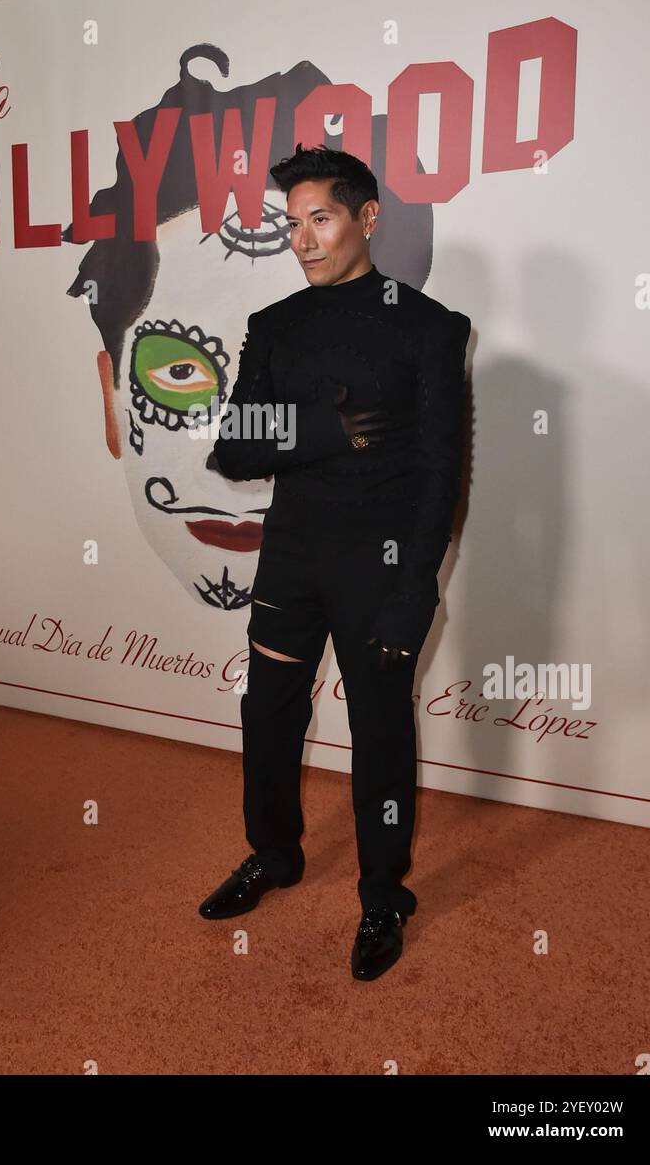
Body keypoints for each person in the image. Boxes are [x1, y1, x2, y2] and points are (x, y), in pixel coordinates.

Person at [198, 143, 472, 981]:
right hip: (291, 559)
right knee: (267, 715)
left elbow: (441, 479)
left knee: (380, 730)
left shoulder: (430, 329)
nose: (304, 239)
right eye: (292, 223)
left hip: (381, 572)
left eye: (320, 218)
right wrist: (325, 430)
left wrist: (414, 591)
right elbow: (232, 453)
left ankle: (383, 892)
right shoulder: (275, 325)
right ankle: (274, 856)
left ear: (367, 217)